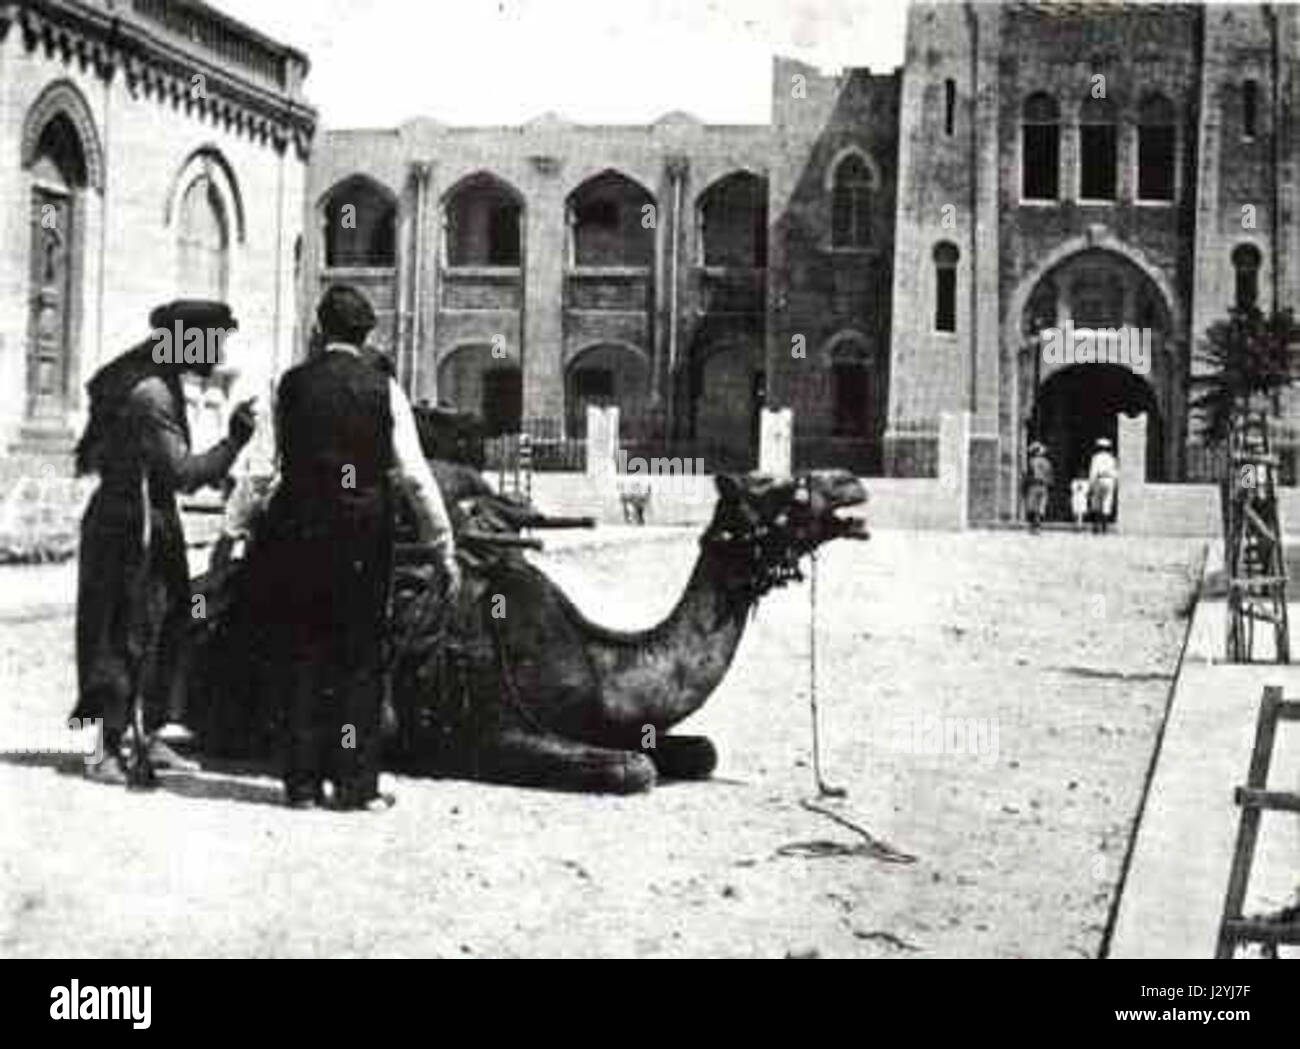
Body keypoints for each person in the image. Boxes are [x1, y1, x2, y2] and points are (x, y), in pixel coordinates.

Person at [249, 285, 459, 811]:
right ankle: (353, 782)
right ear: (368, 335)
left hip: (297, 531)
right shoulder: (383, 389)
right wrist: (442, 544)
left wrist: (235, 531)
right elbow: (413, 475)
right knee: (358, 658)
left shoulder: (291, 386)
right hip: (362, 537)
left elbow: (266, 471)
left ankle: (300, 784)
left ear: (319, 331)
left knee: (302, 652)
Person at [73, 300, 256, 784]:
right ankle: (104, 748)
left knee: (173, 620)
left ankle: (149, 734)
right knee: (120, 632)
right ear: (185, 339)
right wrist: (233, 443)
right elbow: (181, 474)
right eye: (211, 341)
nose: (217, 354)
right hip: (129, 527)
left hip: (150, 518)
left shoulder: (161, 378)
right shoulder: (151, 392)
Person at [1087, 437, 1119, 534]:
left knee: (1096, 503)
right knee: (1107, 503)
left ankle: (1096, 527)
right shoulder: (1112, 459)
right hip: (1109, 480)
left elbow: (1093, 472)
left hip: (1099, 479)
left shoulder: (1096, 458)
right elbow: (1115, 472)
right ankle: (1105, 528)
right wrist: (1115, 483)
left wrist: (1091, 485)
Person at [1022, 442, 1052, 533]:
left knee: (1032, 506)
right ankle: (1038, 526)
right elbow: (1049, 476)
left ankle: (1033, 526)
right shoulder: (1047, 462)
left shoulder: (1032, 462)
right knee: (1040, 507)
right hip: (1043, 486)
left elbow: (1027, 474)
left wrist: (1024, 485)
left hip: (1034, 485)